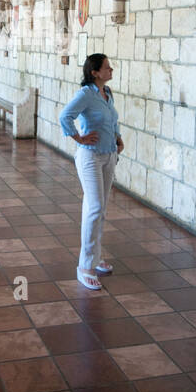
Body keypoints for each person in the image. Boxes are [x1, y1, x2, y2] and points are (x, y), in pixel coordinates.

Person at [58, 53, 124, 290]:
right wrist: (79, 138)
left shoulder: (107, 94)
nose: (111, 70)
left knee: (100, 208)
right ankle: (84, 267)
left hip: (109, 155)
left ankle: (95, 259)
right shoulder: (86, 94)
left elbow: (113, 120)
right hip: (90, 157)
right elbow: (65, 116)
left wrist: (118, 138)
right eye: (107, 67)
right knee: (94, 207)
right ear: (95, 72)